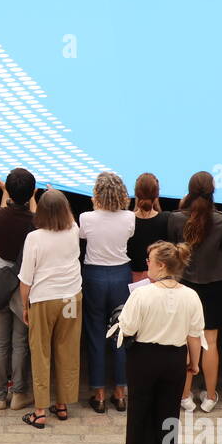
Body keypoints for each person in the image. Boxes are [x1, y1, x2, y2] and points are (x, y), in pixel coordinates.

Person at [117, 241, 204, 444]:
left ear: (161, 265)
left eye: (149, 260)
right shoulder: (191, 296)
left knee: (139, 406)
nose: (147, 264)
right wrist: (194, 364)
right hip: (174, 357)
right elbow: (194, 335)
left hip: (142, 357)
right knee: (168, 409)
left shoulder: (141, 294)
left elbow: (129, 327)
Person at [169, 171, 222, 411]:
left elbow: (172, 252)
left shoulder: (175, 218)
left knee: (186, 341)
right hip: (214, 285)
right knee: (210, 342)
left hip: (184, 285)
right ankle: (210, 396)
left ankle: (185, 397)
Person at [19, 189, 83, 428]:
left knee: (41, 352)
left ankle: (40, 410)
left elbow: (26, 279)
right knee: (67, 349)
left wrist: (25, 306)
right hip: (71, 298)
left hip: (44, 299)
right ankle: (63, 404)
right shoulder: (74, 230)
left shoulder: (34, 238)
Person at [79, 172, 134, 413]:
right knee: (120, 333)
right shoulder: (129, 217)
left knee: (94, 333)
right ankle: (120, 393)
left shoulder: (86, 218)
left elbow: (81, 237)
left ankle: (99, 394)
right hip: (121, 275)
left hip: (94, 276)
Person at [0, 169, 36, 410]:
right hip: (24, 282)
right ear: (32, 193)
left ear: (9, 193)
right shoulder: (36, 223)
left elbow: (5, 212)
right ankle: (19, 393)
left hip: (0, 283)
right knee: (20, 341)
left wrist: (5, 192)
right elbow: (28, 212)